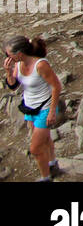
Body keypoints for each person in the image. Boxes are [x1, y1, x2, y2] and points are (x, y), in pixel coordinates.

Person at [4, 36, 61, 181]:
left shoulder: (40, 65)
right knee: (45, 138)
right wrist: (8, 71)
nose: (8, 57)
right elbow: (13, 86)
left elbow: (56, 86)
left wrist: (52, 112)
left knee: (35, 149)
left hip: (45, 109)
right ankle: (52, 163)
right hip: (29, 108)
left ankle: (45, 177)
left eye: (9, 55)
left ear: (20, 54)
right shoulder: (18, 65)